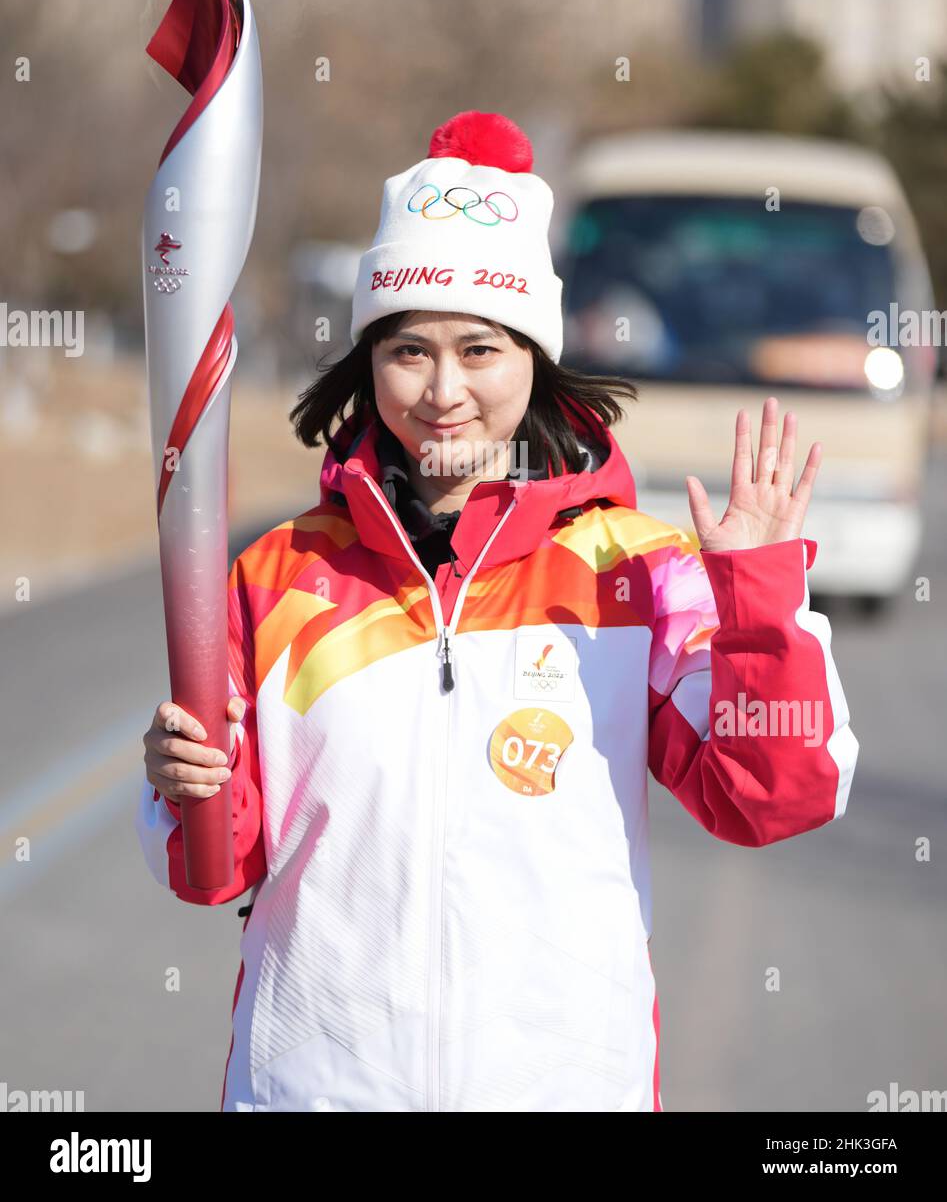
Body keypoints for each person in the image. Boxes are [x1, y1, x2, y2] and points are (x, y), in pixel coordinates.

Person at [135, 110, 859, 1113]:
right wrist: (184, 783)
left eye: (479, 349)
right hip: (314, 1093)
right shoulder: (276, 573)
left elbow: (772, 793)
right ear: (366, 362)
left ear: (533, 359)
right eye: (407, 351)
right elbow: (210, 870)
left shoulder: (634, 572)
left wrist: (757, 600)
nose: (442, 392)